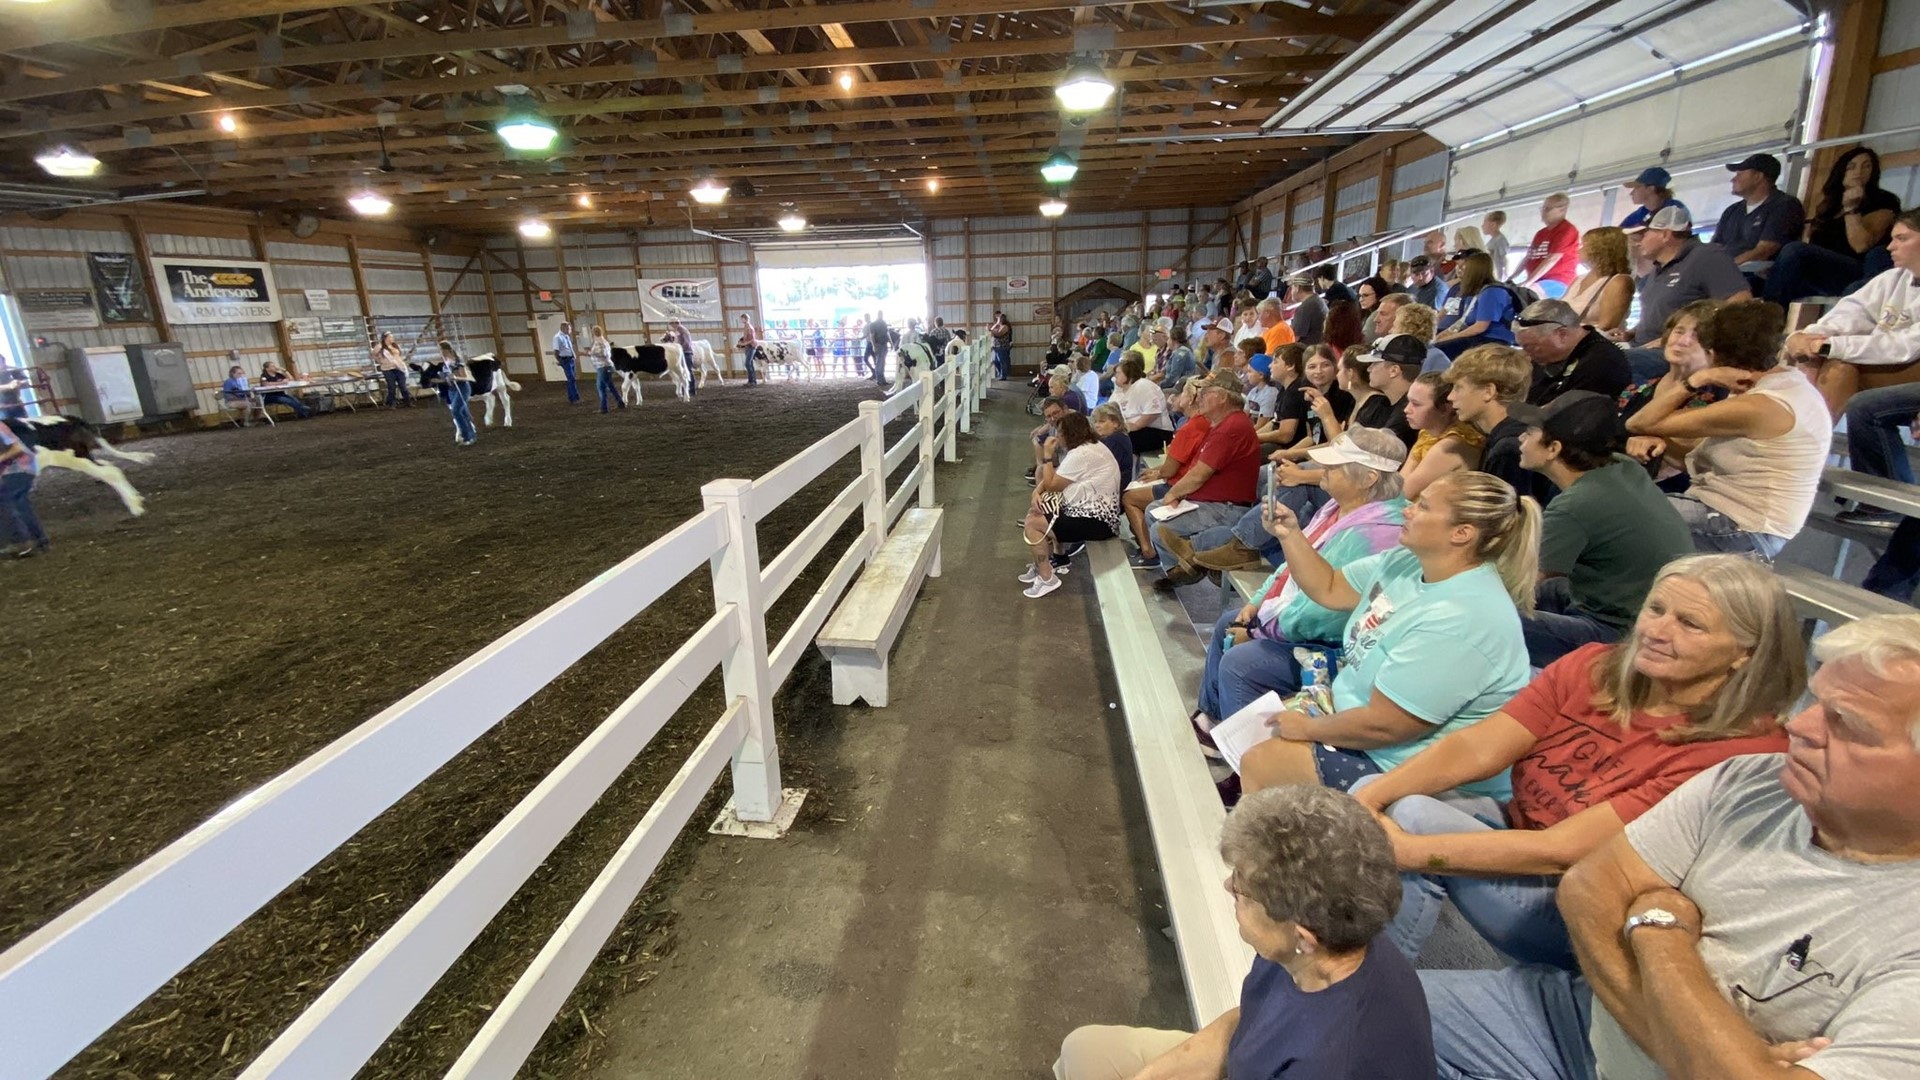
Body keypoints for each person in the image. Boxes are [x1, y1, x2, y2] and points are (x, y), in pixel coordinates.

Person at [1425, 612, 1920, 1080]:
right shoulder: (1749, 780)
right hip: (1584, 1016)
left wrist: (1659, 926)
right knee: (1363, 1009)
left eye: (1846, 723)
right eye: (1815, 703)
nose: (1799, 727)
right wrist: (1697, 1059)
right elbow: (1589, 887)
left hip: (1609, 1005)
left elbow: (1584, 870)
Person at [1358, 554, 1799, 970]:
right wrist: (1369, 801)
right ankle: (1336, 970)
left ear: (1745, 651)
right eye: (1656, 609)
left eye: (1690, 624)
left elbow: (1561, 852)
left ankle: (1361, 998)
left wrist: (1410, 852)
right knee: (1370, 796)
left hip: (1589, 909)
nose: (1658, 631)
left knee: (1412, 822)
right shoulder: (1596, 666)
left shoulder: (1741, 753)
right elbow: (1478, 748)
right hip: (1523, 829)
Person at [1053, 785, 1435, 1080]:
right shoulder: (1324, 941)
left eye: (1242, 888)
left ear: (1303, 936)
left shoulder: (1333, 1060)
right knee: (1086, 1050)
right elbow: (1254, 1024)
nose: (1228, 888)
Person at [1236, 470, 1538, 796]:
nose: (1406, 509)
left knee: (1260, 761)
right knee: (1253, 728)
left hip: (1413, 769)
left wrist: (1309, 727)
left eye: (1423, 507)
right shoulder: (1407, 561)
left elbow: (1387, 726)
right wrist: (1290, 534)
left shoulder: (1465, 618)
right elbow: (1330, 587)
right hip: (1362, 718)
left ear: (1462, 533)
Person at [1628, 299, 1831, 558]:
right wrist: (1662, 443)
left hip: (1743, 528)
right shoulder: (1778, 384)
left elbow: (1638, 422)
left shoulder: (1759, 405)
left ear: (1713, 355)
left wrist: (1699, 379)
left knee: (1613, 514)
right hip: (1721, 511)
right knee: (1606, 506)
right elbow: (1688, 456)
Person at [1514, 391, 1695, 665]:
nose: (1520, 439)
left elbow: (1525, 581)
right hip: (1631, 610)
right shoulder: (1623, 466)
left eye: (1530, 432)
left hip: (1620, 635)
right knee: (1547, 591)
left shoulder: (1575, 506)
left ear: (1554, 449)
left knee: (1481, 618)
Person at [1785, 208, 1920, 418]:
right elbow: (1851, 312)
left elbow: (1906, 346)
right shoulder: (1893, 277)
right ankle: (1796, 436)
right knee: (1810, 355)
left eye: (1902, 239)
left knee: (1839, 363)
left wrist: (1832, 346)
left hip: (1913, 366)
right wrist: (1810, 336)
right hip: (1892, 361)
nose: (1891, 247)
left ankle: (1805, 441)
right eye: (1892, 239)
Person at [1147, 377, 1262, 587]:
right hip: (1211, 502)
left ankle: (1184, 569)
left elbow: (1200, 474)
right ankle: (1182, 569)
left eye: (1206, 392)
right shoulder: (1222, 425)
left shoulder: (1231, 427)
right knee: (1152, 511)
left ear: (1222, 398)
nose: (1200, 397)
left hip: (1225, 508)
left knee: (1160, 528)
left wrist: (1173, 494)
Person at [1764, 145, 1901, 305]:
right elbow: (1815, 246)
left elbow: (1860, 245)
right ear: (1842, 171)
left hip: (1858, 269)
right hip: (1825, 270)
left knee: (1795, 250)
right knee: (1773, 270)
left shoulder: (1884, 200)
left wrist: (1851, 208)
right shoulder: (1829, 205)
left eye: (1866, 166)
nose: (1859, 171)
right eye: (1851, 167)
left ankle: (1769, 314)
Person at [1020, 413, 1121, 599]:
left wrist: (1047, 456)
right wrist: (1036, 492)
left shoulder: (1081, 454)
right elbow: (1059, 476)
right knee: (1040, 509)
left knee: (1033, 523)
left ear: (1070, 434)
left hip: (1098, 521)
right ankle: (1057, 559)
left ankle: (1047, 578)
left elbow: (1052, 483)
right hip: (1097, 514)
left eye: (1060, 433)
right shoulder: (1091, 446)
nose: (1057, 437)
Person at [1123, 377, 1211, 562]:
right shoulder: (1203, 423)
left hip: (1180, 485)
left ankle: (1149, 551)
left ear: (1191, 398)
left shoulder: (1191, 427)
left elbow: (1171, 470)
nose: (1173, 399)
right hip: (1185, 480)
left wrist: (1158, 473)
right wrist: (1157, 471)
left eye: (1180, 394)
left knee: (1129, 498)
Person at [1443, 343, 1533, 493]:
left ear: (1488, 391)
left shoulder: (1509, 450)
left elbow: (1504, 514)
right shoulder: (1511, 436)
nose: (1450, 396)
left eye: (1458, 387)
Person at [1512, 299, 1631, 406]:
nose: (1526, 354)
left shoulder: (1602, 363)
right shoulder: (1547, 357)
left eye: (1530, 347)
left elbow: (1567, 417)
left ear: (1562, 334)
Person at [1711, 152, 1805, 282]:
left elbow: (1765, 250)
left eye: (1740, 174)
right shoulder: (1731, 211)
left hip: (1758, 278)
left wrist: (1727, 268)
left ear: (1758, 176)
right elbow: (1715, 247)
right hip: (1726, 276)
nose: (1733, 179)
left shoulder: (1784, 205)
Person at [1432, 252, 1517, 359]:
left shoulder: (1492, 292)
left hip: (1491, 340)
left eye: (1464, 268)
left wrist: (1451, 338)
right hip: (1477, 337)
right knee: (1434, 347)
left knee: (1441, 350)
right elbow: (1462, 323)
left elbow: (1480, 327)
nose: (1460, 271)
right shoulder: (1475, 293)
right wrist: (1439, 337)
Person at [1557, 226, 1634, 335]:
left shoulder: (1618, 282)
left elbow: (1607, 326)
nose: (1579, 250)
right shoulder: (1579, 279)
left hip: (1593, 343)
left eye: (1584, 245)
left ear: (1599, 250)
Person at [1361, 334, 1424, 448]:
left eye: (1374, 363)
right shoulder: (1382, 403)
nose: (1368, 369)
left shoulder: (1407, 414)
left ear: (1394, 370)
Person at [1513, 193, 1579, 300]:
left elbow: (1552, 259)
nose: (1543, 212)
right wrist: (1512, 277)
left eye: (1548, 209)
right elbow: (1528, 258)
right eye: (1543, 208)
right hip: (1538, 280)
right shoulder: (1540, 233)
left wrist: (1529, 282)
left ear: (1562, 210)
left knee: (1527, 294)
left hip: (1558, 281)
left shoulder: (1567, 230)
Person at [0, 417, 49, 558]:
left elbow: (17, 448)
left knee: (6, 500)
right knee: (20, 502)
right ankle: (40, 540)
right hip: (20, 468)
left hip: (18, 467)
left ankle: (22, 541)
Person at [1111, 354, 1174, 454]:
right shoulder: (1121, 390)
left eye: (1118, 373)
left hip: (1158, 432)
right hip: (1138, 430)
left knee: (1117, 440)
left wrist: (1134, 426)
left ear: (1129, 374)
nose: (1115, 377)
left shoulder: (1143, 385)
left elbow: (1154, 412)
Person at [429, 339, 478, 445]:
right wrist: (439, 380)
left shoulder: (457, 361)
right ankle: (471, 436)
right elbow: (448, 379)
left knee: (456, 411)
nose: (440, 352)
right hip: (452, 389)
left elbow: (464, 377)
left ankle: (466, 437)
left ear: (446, 350)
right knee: (463, 412)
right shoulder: (445, 362)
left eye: (441, 350)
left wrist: (455, 377)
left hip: (462, 388)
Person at [1618, 166, 1687, 231]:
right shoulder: (1643, 211)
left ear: (1651, 189)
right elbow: (1619, 232)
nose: (1631, 193)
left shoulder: (1675, 209)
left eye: (1637, 187)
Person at [1091, 402, 1135, 487]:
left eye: (1102, 422)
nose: (1097, 425)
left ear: (1116, 423)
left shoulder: (1115, 440)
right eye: (1096, 422)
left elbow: (1104, 469)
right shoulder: (1115, 437)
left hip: (1114, 488)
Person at [588, 324, 625, 412]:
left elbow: (603, 354)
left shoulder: (599, 342)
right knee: (610, 386)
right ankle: (620, 402)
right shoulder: (603, 341)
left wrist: (591, 353)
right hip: (605, 366)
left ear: (593, 333)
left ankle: (604, 408)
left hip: (603, 367)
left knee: (601, 387)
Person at [374, 331, 414, 408]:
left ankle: (407, 401)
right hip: (387, 369)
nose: (392, 338)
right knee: (391, 386)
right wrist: (380, 361)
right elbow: (373, 355)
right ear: (385, 338)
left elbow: (398, 356)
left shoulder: (395, 346)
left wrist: (402, 364)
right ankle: (392, 403)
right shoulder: (379, 347)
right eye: (390, 337)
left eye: (392, 337)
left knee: (403, 385)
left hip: (398, 368)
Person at [1287, 276, 1326, 345]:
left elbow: (1294, 338)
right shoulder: (1318, 301)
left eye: (1292, 288)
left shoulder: (1304, 308)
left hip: (1308, 350)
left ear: (1297, 288)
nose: (1291, 292)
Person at [549, 321, 579, 404]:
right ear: (564, 328)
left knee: (572, 379)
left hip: (570, 358)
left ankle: (573, 397)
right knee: (571, 378)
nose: (570, 330)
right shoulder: (557, 337)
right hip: (565, 359)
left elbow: (569, 347)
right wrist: (560, 361)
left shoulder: (566, 336)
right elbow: (556, 351)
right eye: (569, 329)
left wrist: (573, 355)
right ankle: (573, 397)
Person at [1355, 275, 1394, 340]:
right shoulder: (1365, 314)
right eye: (1360, 296)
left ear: (1379, 294)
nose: (1360, 300)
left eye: (1366, 295)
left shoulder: (1376, 316)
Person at [1482, 210, 1511, 277]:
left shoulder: (1500, 241)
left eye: (1484, 223)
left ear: (1493, 224)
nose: (1482, 226)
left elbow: (1505, 261)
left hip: (1496, 276)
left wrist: (1506, 276)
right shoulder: (1493, 240)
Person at [735, 313, 761, 387]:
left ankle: (752, 380)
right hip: (748, 347)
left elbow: (753, 339)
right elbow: (746, 337)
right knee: (750, 364)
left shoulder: (749, 327)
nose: (741, 320)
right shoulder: (746, 327)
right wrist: (741, 341)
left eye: (742, 319)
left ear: (745, 319)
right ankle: (752, 381)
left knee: (747, 363)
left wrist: (744, 343)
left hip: (751, 346)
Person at [867, 311, 893, 386]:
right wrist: (874, 345)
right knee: (880, 363)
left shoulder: (878, 324)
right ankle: (880, 380)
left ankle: (881, 379)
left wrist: (890, 342)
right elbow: (872, 336)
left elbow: (886, 333)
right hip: (879, 344)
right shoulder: (875, 324)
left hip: (882, 344)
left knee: (881, 362)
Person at [989, 310, 1013, 379]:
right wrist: (996, 324)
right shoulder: (999, 326)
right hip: (997, 346)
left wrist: (991, 331)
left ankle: (1003, 375)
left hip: (1002, 346)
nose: (998, 320)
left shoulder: (1005, 327)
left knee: (1002, 361)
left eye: (999, 319)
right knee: (995, 360)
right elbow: (993, 329)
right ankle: (1000, 373)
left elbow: (999, 334)